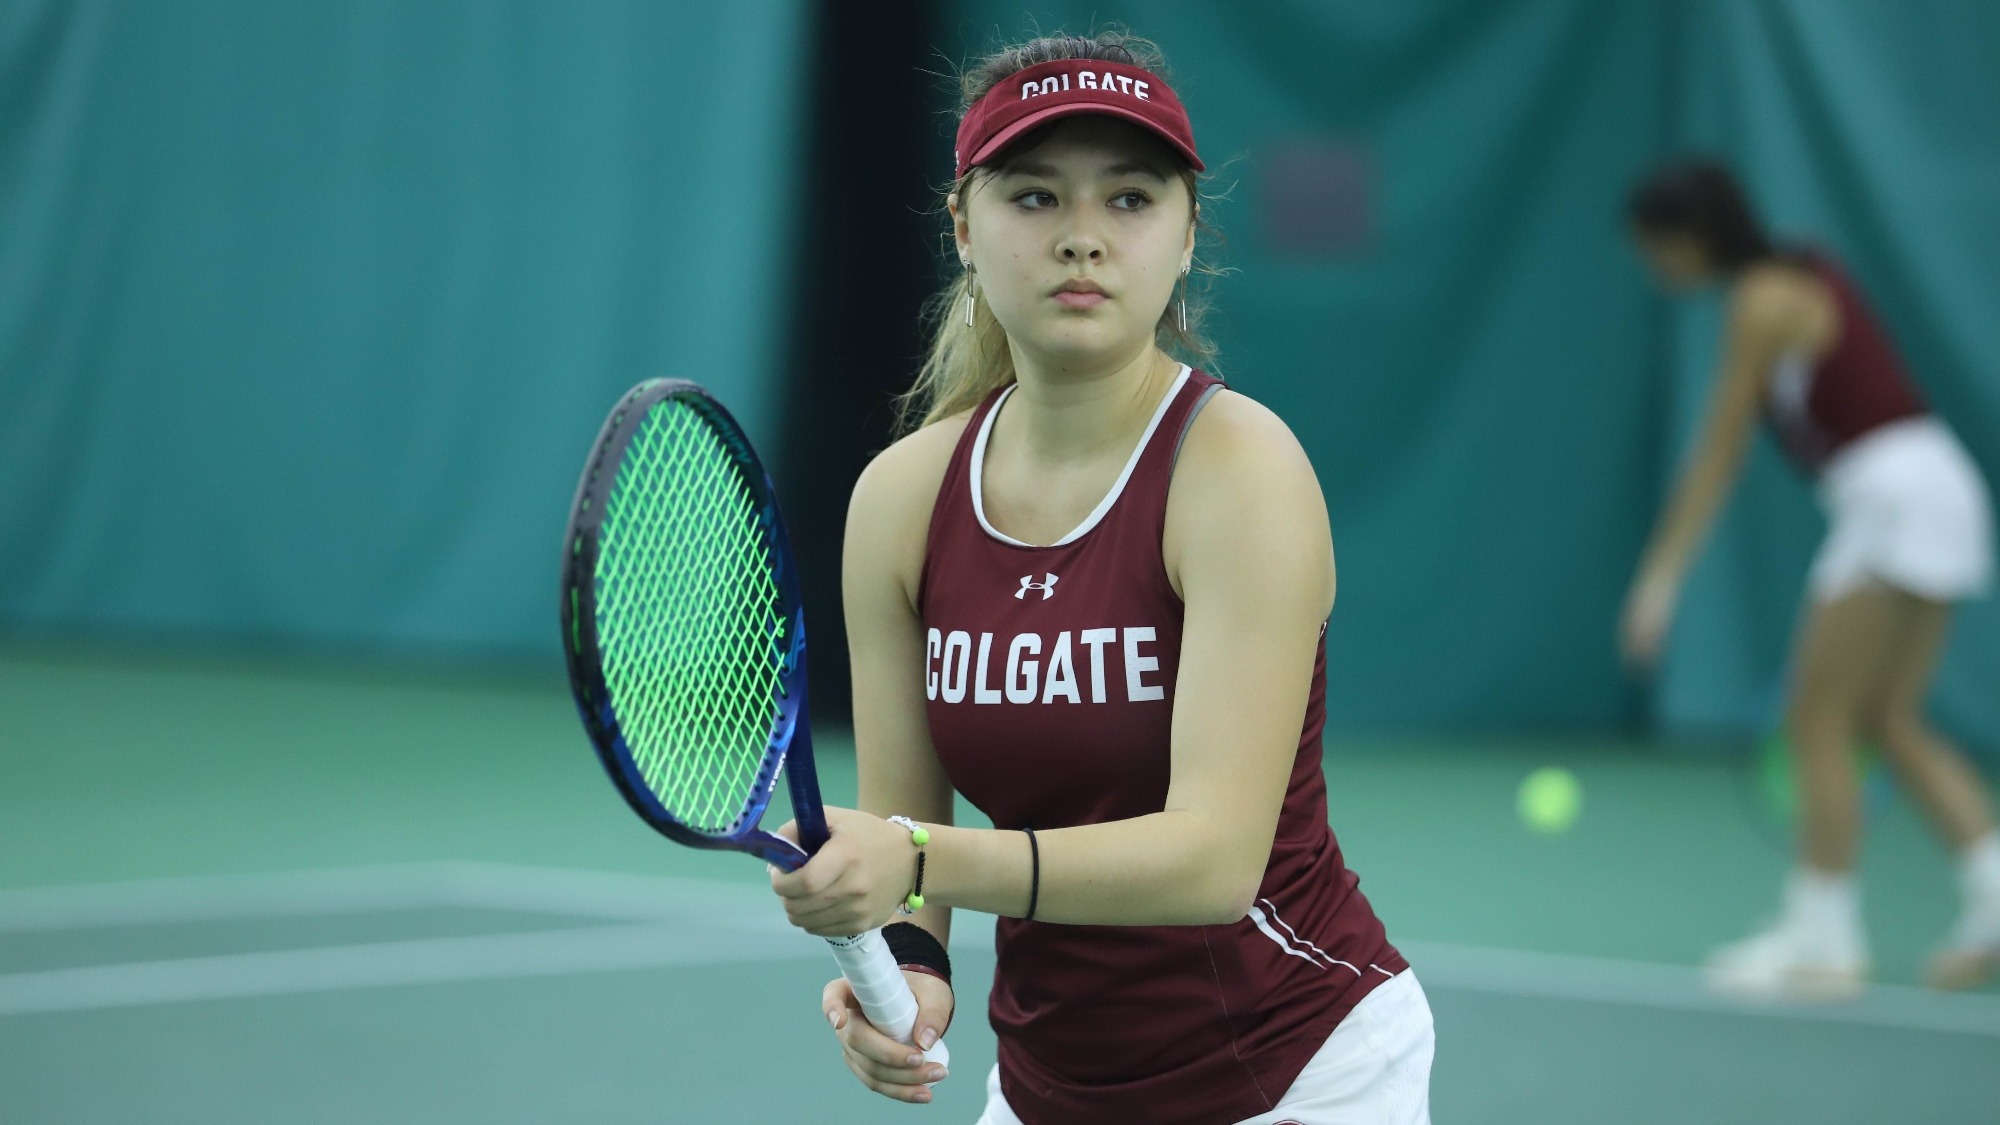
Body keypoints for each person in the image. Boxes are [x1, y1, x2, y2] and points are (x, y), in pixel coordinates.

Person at [767, 31, 1433, 1125]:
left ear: (1186, 236)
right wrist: (909, 966)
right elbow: (906, 824)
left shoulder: (1238, 471)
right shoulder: (902, 499)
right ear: (962, 228)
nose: (1082, 236)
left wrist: (912, 858)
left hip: (1298, 1072)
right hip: (1048, 1085)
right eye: (1034, 197)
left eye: (1129, 199)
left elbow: (1211, 861)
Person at [1621, 158, 2000, 997]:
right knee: (1886, 718)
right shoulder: (1800, 266)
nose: (1654, 267)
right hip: (1937, 487)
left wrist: (1659, 580)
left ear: (1690, 237)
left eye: (1656, 248)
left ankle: (1824, 942)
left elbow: (1719, 449)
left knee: (1816, 719)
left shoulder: (1761, 300)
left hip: (1894, 498)